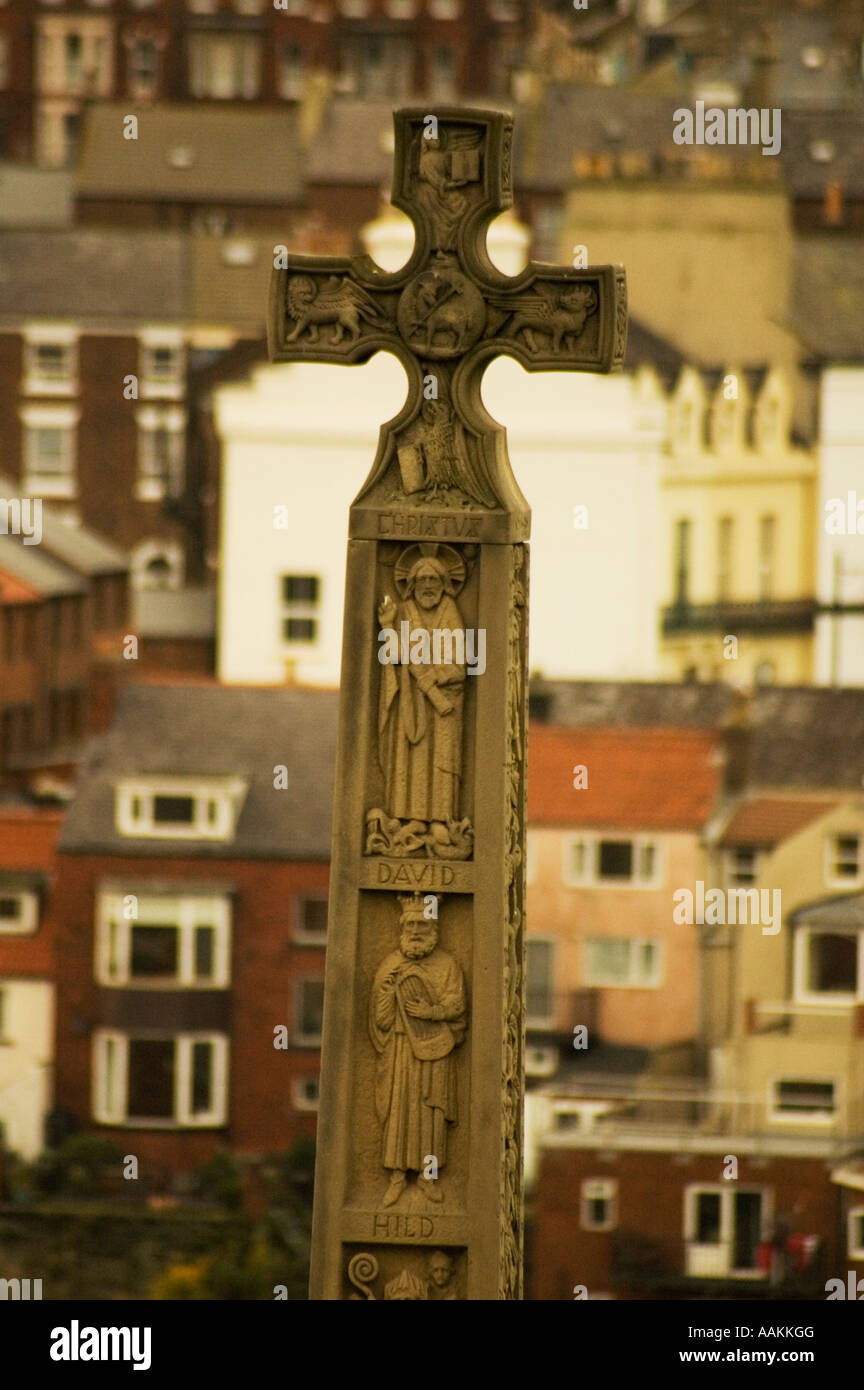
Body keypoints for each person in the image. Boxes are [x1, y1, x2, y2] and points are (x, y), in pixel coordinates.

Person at [369, 896, 467, 1209]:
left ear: (433, 928)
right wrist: (386, 991)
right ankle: (397, 1177)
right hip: (400, 1050)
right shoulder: (391, 966)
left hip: (435, 1050)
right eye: (410, 925)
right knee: (400, 1112)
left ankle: (427, 1176)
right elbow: (380, 1019)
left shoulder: (447, 965)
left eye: (421, 924)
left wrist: (432, 1011)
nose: (415, 930)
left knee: (430, 1113)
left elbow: (457, 1005)